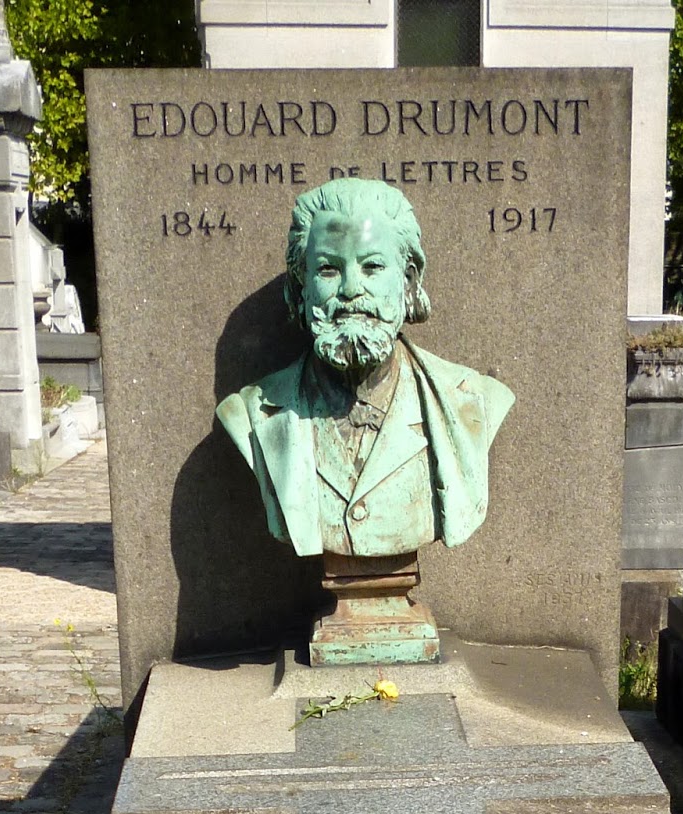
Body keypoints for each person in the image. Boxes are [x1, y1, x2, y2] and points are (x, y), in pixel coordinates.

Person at [216, 178, 514, 560]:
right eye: (328, 270)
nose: (351, 289)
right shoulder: (250, 414)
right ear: (301, 286)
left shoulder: (474, 402)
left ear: (408, 281)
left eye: (372, 266)